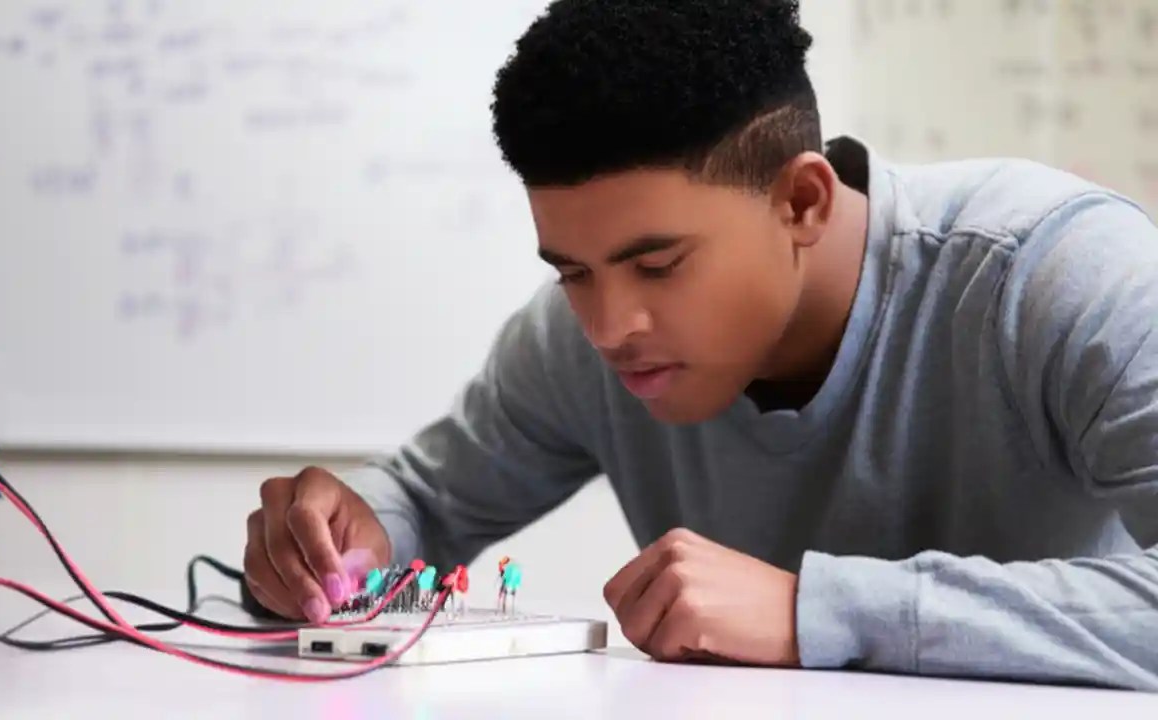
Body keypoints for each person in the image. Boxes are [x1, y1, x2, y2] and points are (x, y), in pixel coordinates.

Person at [242, 0, 1158, 690]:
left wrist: (816, 612)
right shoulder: (576, 343)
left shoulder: (1058, 274)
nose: (607, 327)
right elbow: (421, 503)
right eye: (573, 271)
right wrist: (338, 537)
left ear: (802, 201)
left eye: (658, 264)